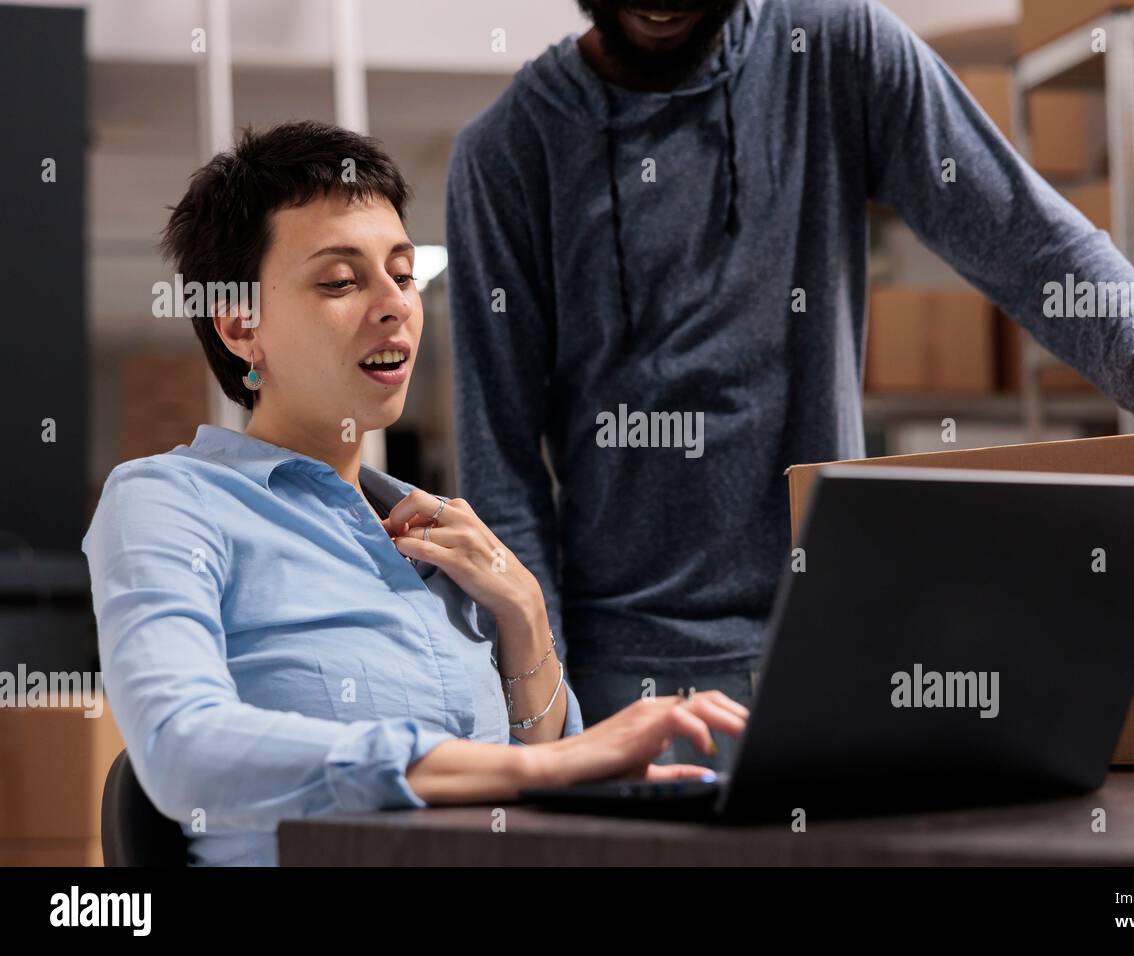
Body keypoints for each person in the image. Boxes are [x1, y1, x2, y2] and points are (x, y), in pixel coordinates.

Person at [445, 0, 1134, 769]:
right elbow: (500, 464)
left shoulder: (837, 51)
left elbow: (1029, 239)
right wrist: (545, 726)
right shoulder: (508, 151)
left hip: (838, 639)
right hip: (624, 677)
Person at [81, 121, 747, 867]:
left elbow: (540, 789)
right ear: (242, 327)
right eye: (340, 280)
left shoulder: (440, 534)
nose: (395, 302)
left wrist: (524, 615)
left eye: (402, 272)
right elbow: (183, 749)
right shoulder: (167, 502)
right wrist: (542, 769)